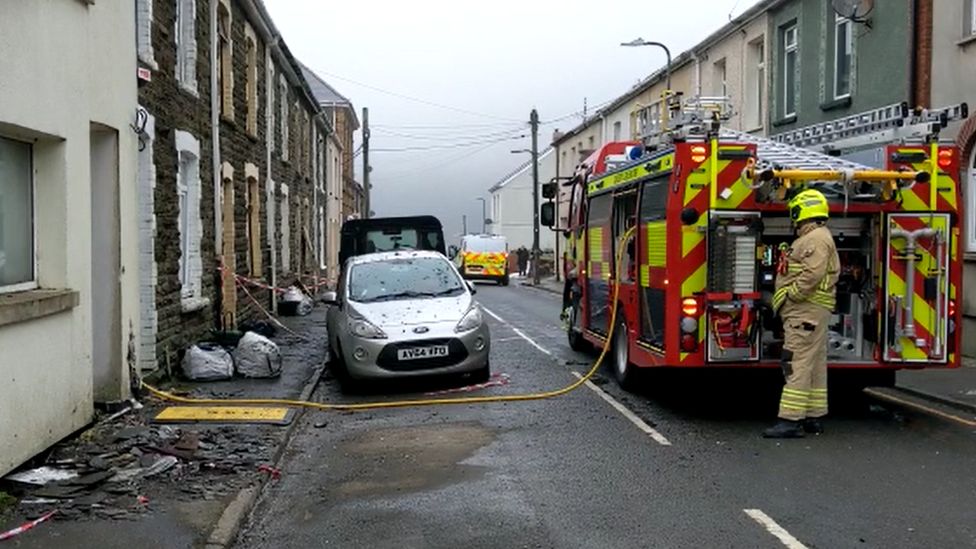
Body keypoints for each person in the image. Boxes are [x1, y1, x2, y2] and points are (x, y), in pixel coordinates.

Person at [764, 189, 839, 439]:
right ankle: (813, 416)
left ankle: (789, 420)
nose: (793, 217)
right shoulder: (817, 236)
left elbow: (812, 274)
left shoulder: (815, 238)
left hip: (805, 311)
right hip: (812, 311)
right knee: (814, 363)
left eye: (794, 212)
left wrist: (792, 295)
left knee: (795, 361)